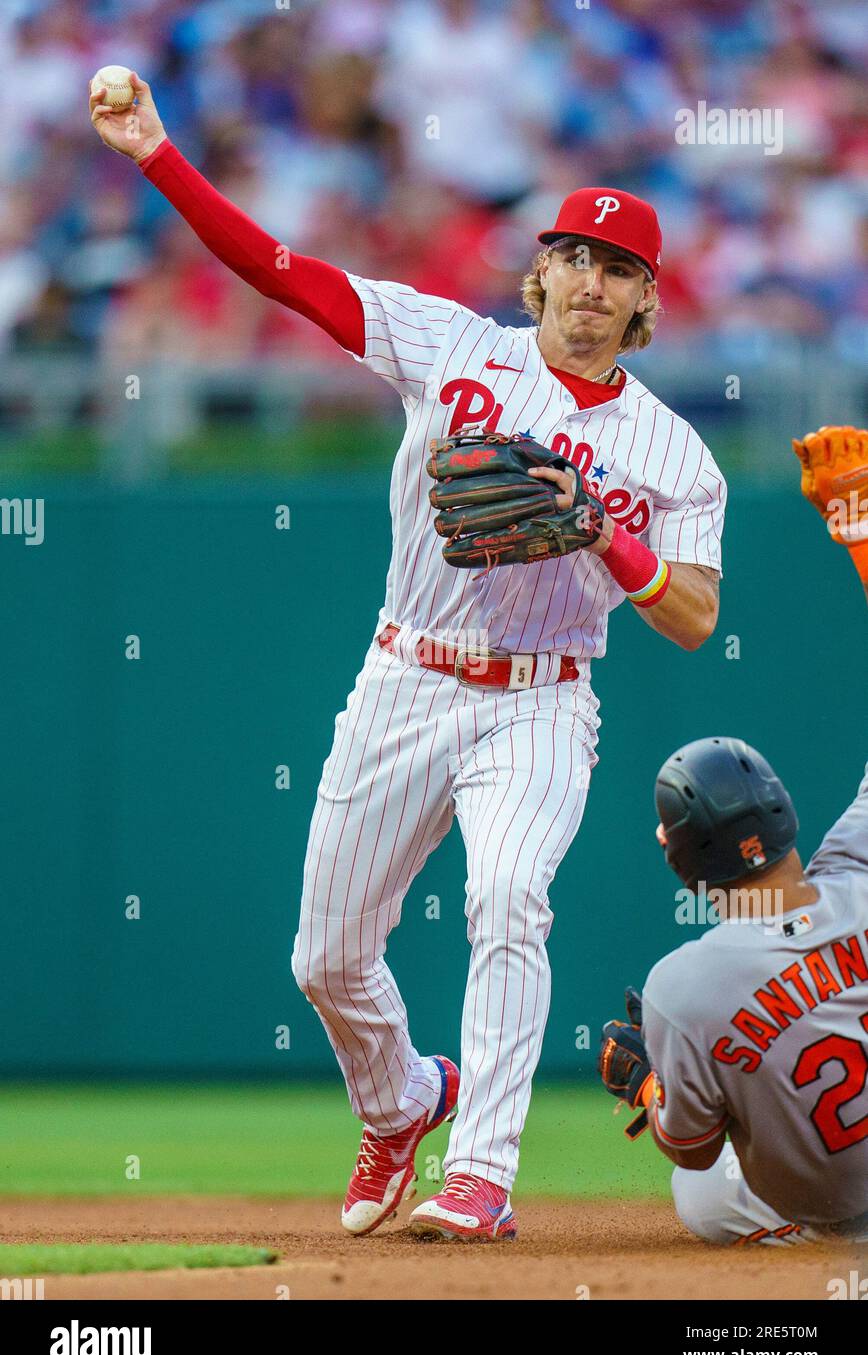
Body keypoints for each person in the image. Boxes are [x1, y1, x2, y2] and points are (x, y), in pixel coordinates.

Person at [91, 74, 725, 1242]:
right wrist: (156, 156)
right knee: (325, 959)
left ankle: (480, 1173)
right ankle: (403, 1100)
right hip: (401, 678)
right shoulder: (448, 343)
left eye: (617, 265)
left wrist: (605, 529)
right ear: (538, 272)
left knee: (508, 899)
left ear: (644, 301)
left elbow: (692, 614)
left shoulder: (672, 452)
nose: (590, 277)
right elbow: (285, 273)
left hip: (540, 699)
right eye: (571, 254)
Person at [598, 425, 868, 1245]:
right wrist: (858, 525)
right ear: (784, 811)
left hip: (843, 1222)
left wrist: (652, 1088)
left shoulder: (686, 986)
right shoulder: (856, 868)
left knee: (705, 1195)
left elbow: (691, 1144)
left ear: (681, 865)